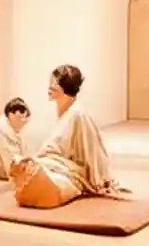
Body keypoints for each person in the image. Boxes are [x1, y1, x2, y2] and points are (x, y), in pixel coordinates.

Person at [9, 65, 122, 209]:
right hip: (52, 165)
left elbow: (93, 152)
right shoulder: (58, 113)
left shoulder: (78, 115)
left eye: (55, 84)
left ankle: (40, 183)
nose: (50, 86)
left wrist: (100, 180)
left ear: (66, 87)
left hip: (68, 174)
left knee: (50, 184)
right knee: (26, 167)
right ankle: (36, 179)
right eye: (51, 82)